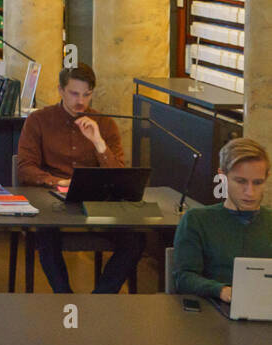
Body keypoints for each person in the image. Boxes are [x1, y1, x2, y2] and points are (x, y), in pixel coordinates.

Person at [17, 63, 144, 293]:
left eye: (87, 94)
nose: (81, 101)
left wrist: (98, 143)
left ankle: (101, 298)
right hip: (53, 201)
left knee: (134, 241)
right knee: (45, 235)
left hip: (97, 204)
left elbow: (119, 174)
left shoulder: (104, 124)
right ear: (61, 90)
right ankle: (65, 297)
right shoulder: (38, 120)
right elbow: (25, 168)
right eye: (74, 93)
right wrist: (56, 181)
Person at [173, 137, 272, 302]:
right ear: (223, 177)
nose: (250, 192)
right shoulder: (197, 220)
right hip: (213, 310)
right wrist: (221, 290)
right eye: (240, 181)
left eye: (258, 183)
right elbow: (183, 278)